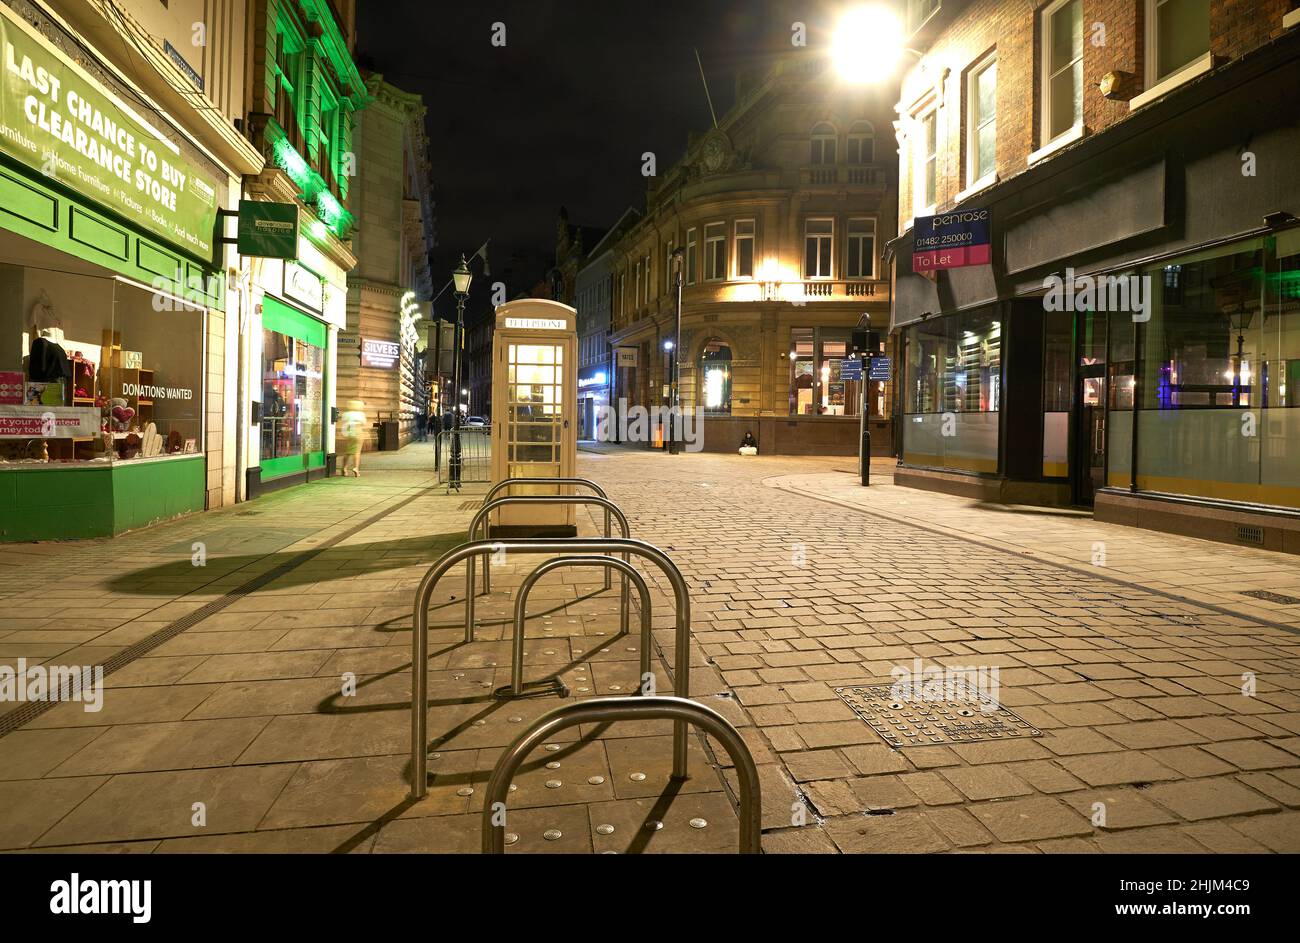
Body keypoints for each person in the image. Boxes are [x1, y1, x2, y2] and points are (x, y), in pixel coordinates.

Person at [338, 399, 367, 477]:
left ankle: (344, 468)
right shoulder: (360, 414)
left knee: (347, 451)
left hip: (349, 432)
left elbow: (343, 422)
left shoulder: (346, 414)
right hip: (358, 431)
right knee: (357, 452)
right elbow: (364, 423)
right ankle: (356, 468)